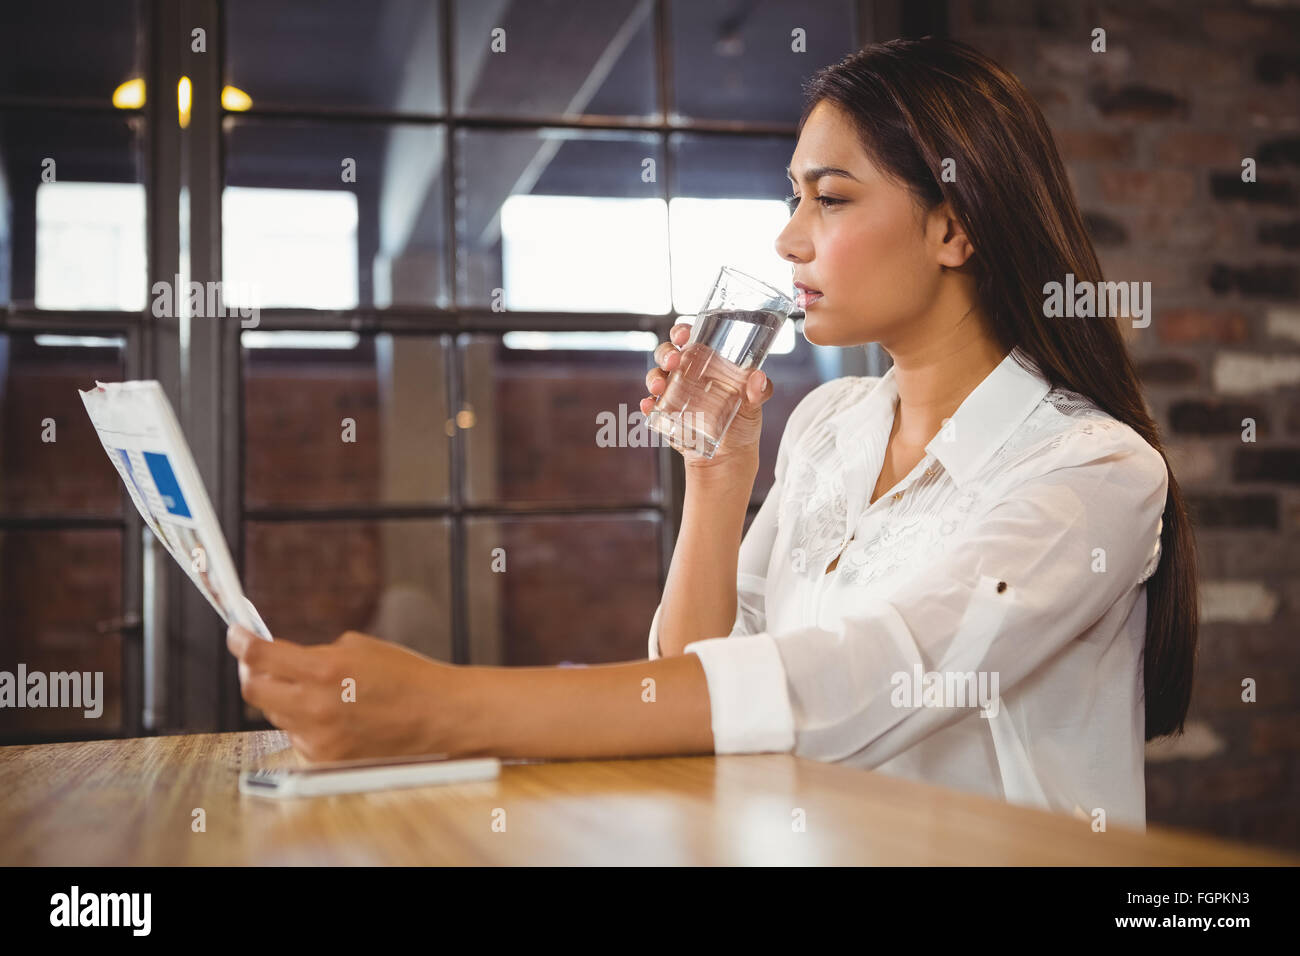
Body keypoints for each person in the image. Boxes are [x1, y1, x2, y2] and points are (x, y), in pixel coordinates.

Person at [227, 37, 1197, 830]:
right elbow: (691, 689)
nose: (787, 237)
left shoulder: (1094, 473)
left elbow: (860, 684)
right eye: (792, 195)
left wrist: (445, 706)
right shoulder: (830, 424)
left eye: (831, 196)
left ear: (954, 228)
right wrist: (718, 474)